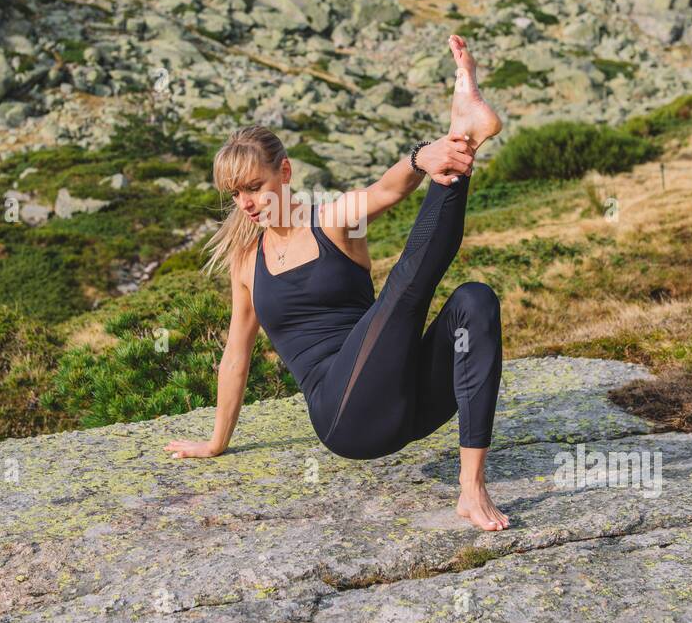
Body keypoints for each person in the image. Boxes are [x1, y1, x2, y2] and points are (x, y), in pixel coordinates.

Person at [165, 35, 509, 530]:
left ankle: (471, 488)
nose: (245, 202)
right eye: (236, 193)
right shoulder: (246, 262)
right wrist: (216, 441)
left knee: (475, 300)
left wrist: (420, 160)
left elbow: (387, 189)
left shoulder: (330, 221)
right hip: (344, 416)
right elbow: (236, 353)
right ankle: (466, 135)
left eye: (255, 187)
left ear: (284, 173)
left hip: (408, 402)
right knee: (406, 288)